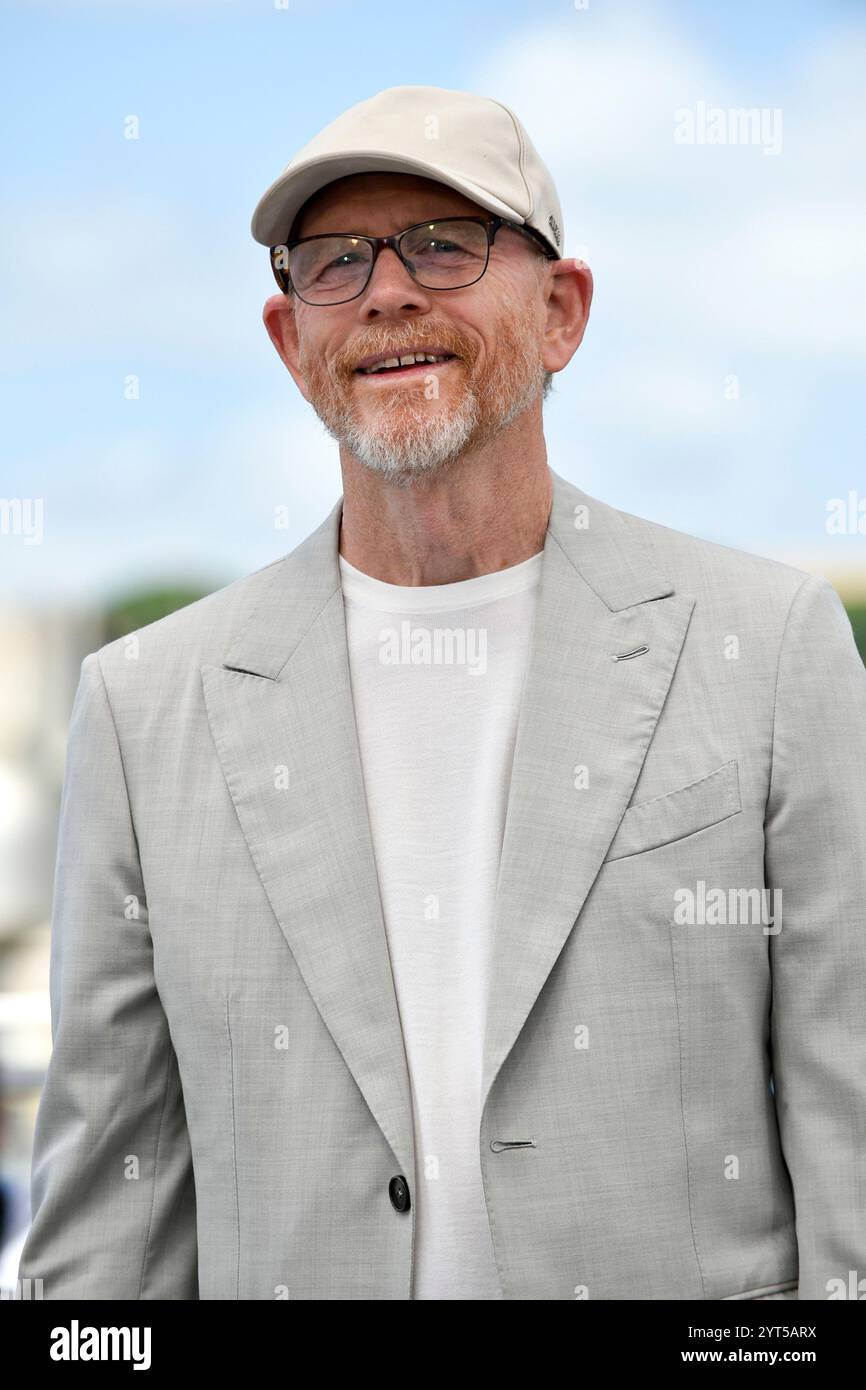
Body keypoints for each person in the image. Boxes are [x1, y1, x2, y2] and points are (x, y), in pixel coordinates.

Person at [18, 84, 866, 1301]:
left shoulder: (770, 647)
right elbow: (108, 1225)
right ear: (287, 341)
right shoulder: (145, 705)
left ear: (562, 310)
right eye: (334, 260)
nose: (386, 291)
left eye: (441, 244)